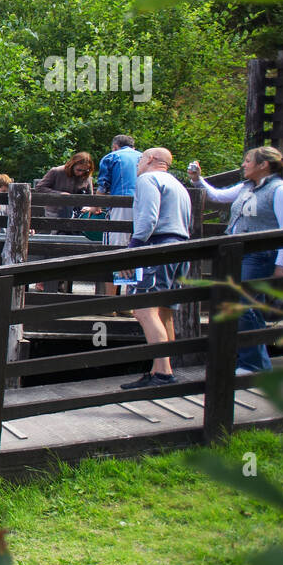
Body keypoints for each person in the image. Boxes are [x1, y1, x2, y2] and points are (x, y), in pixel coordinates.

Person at [189, 146, 283, 374]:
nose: (243, 165)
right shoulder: (248, 187)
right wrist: (198, 180)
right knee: (246, 307)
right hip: (240, 254)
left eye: (248, 160)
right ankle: (256, 363)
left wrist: (282, 264)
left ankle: (252, 363)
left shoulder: (281, 191)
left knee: (241, 305)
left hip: (260, 256)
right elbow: (217, 196)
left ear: (263, 165)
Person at [119, 148, 191, 390]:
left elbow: (149, 218)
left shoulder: (148, 179)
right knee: (164, 311)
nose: (138, 164)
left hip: (158, 246)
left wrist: (133, 250)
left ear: (149, 160)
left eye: (140, 159)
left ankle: (163, 374)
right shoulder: (178, 185)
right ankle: (160, 369)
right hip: (181, 247)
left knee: (143, 309)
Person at [35, 151, 94, 291]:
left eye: (84, 171)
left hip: (76, 215)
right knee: (54, 244)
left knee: (71, 246)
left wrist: (88, 207)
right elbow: (40, 188)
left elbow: (90, 196)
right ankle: (44, 281)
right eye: (79, 170)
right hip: (55, 212)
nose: (81, 173)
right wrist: (59, 195)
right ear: (72, 165)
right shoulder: (57, 172)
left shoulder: (87, 177)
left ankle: (61, 281)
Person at [95, 135, 142, 297]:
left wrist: (95, 206)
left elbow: (103, 184)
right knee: (134, 251)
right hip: (144, 207)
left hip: (121, 206)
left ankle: (111, 301)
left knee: (115, 250)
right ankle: (128, 301)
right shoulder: (145, 157)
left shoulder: (112, 157)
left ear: (115, 146)